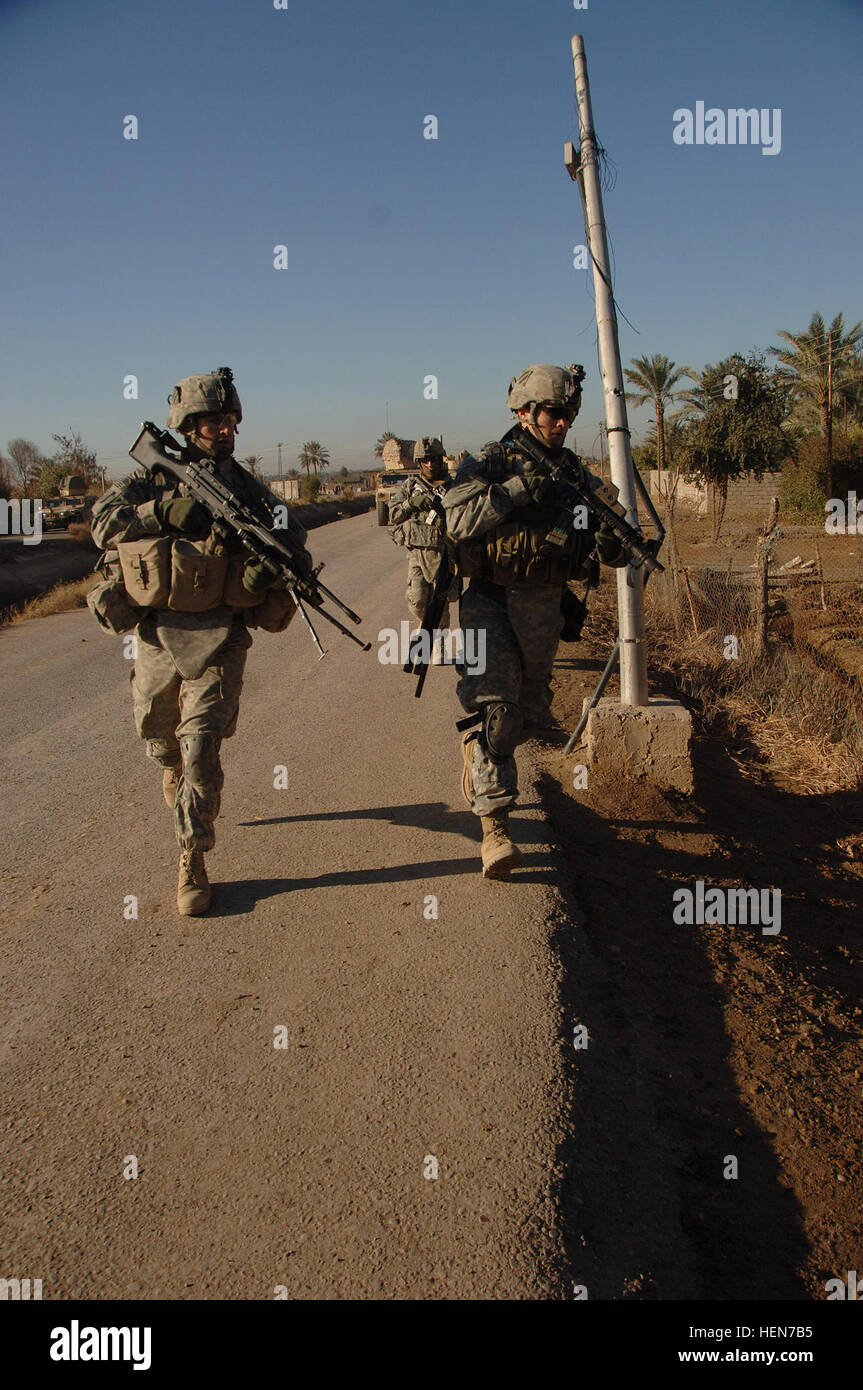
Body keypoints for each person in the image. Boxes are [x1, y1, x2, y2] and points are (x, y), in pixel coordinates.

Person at [90, 368, 310, 915]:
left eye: (230, 420)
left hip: (219, 635)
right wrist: (159, 512)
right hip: (158, 631)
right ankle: (171, 768)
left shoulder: (245, 488)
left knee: (200, 746)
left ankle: (192, 857)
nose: (225, 429)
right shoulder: (153, 478)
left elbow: (289, 531)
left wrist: (275, 565)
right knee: (159, 737)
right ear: (187, 427)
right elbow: (101, 523)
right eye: (212, 421)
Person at [442, 363, 626, 879]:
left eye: (569, 414)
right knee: (497, 711)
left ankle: (480, 750)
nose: (563, 423)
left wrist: (612, 538)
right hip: (489, 600)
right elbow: (456, 519)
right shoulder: (490, 462)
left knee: (525, 715)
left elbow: (611, 545)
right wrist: (520, 490)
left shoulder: (577, 477)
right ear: (524, 412)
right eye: (553, 413)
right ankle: (495, 828)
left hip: (543, 607)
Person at [388, 436, 458, 662]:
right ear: (419, 462)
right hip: (417, 554)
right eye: (425, 460)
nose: (431, 464)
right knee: (418, 600)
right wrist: (411, 504)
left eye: (435, 459)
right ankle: (426, 629)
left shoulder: (453, 486)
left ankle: (440, 644)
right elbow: (393, 515)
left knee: (441, 602)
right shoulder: (410, 486)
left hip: (444, 553)